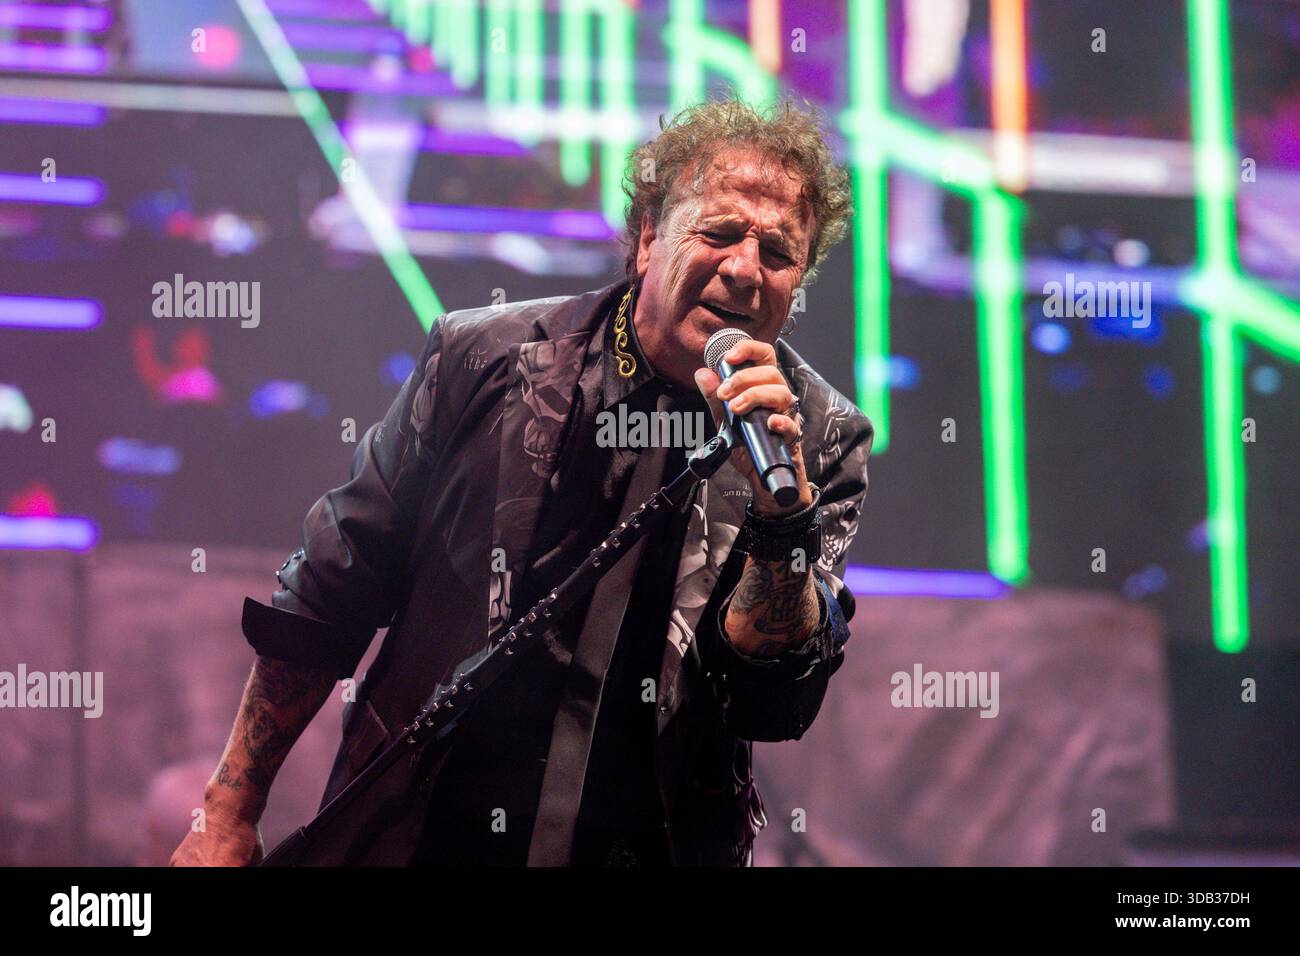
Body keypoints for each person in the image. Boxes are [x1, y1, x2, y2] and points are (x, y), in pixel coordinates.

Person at [171, 95, 873, 868]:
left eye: (778, 253)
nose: (745, 268)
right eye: (718, 233)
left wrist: (782, 518)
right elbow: (333, 589)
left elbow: (769, 700)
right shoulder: (484, 359)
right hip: (423, 842)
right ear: (647, 237)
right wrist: (228, 810)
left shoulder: (820, 439)